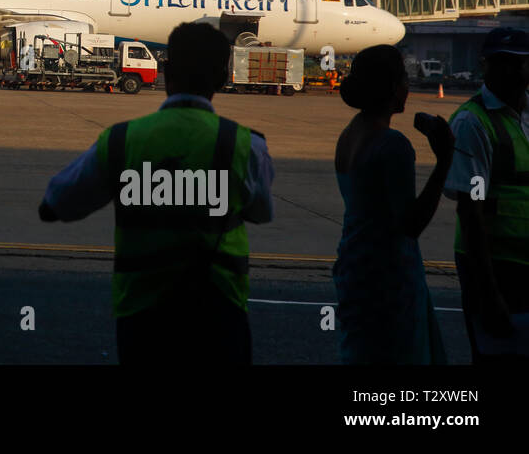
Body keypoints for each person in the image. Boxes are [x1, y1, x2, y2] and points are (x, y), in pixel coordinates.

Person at [39, 22, 274, 364]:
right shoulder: (246, 145)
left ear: (167, 71)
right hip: (219, 312)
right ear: (223, 78)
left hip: (143, 315)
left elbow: (56, 205)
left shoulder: (122, 140)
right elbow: (262, 212)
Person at [331, 45, 452, 364]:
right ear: (390, 88)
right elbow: (410, 224)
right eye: (403, 80)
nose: (407, 88)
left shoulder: (349, 134)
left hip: (355, 266)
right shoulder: (392, 144)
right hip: (389, 275)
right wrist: (443, 162)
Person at [443, 28, 529, 364]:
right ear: (484, 66)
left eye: (515, 63)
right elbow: (471, 211)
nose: (506, 71)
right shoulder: (472, 122)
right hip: (497, 267)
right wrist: (488, 293)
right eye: (498, 63)